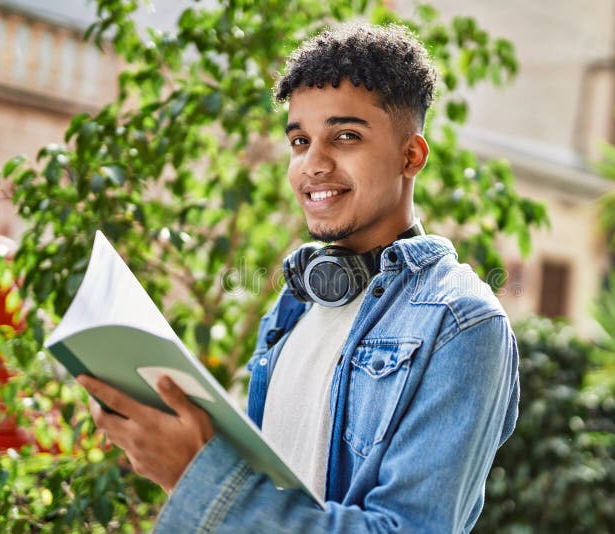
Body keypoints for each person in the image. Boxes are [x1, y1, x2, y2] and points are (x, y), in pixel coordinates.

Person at [78, 22, 520, 533]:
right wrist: (182, 460)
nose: (312, 164)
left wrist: (198, 476)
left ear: (411, 155)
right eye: (299, 140)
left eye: (346, 136)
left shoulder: (461, 322)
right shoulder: (293, 306)